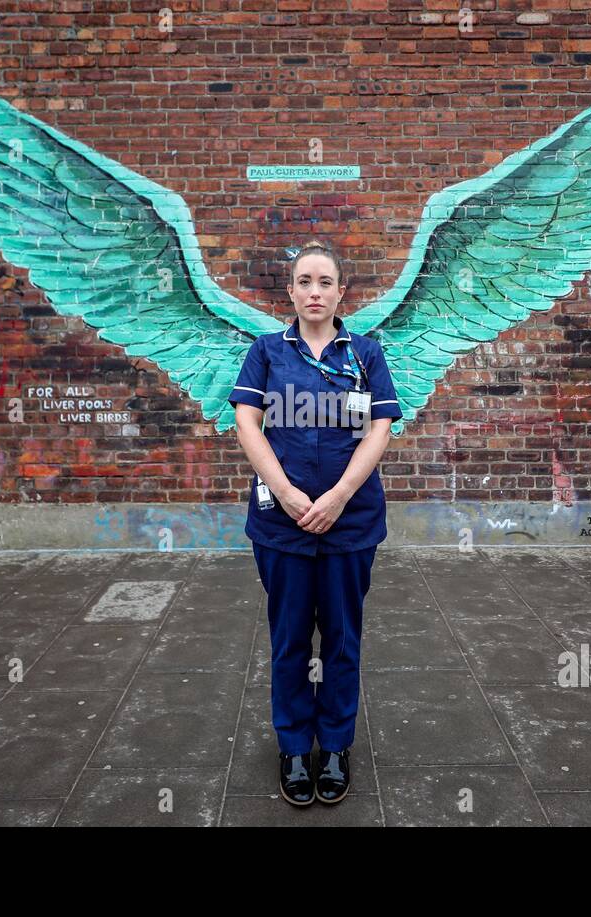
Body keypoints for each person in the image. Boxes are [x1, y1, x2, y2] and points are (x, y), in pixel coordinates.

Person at [229, 240, 402, 806]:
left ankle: (334, 746)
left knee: (343, 640)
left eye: (325, 282)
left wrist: (338, 496)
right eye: (304, 281)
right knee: (289, 640)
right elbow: (247, 424)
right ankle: (294, 748)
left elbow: (380, 428)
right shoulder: (265, 352)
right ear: (290, 291)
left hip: (350, 523)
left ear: (341, 292)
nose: (314, 292)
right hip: (281, 526)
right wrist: (286, 493)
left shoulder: (367, 354)